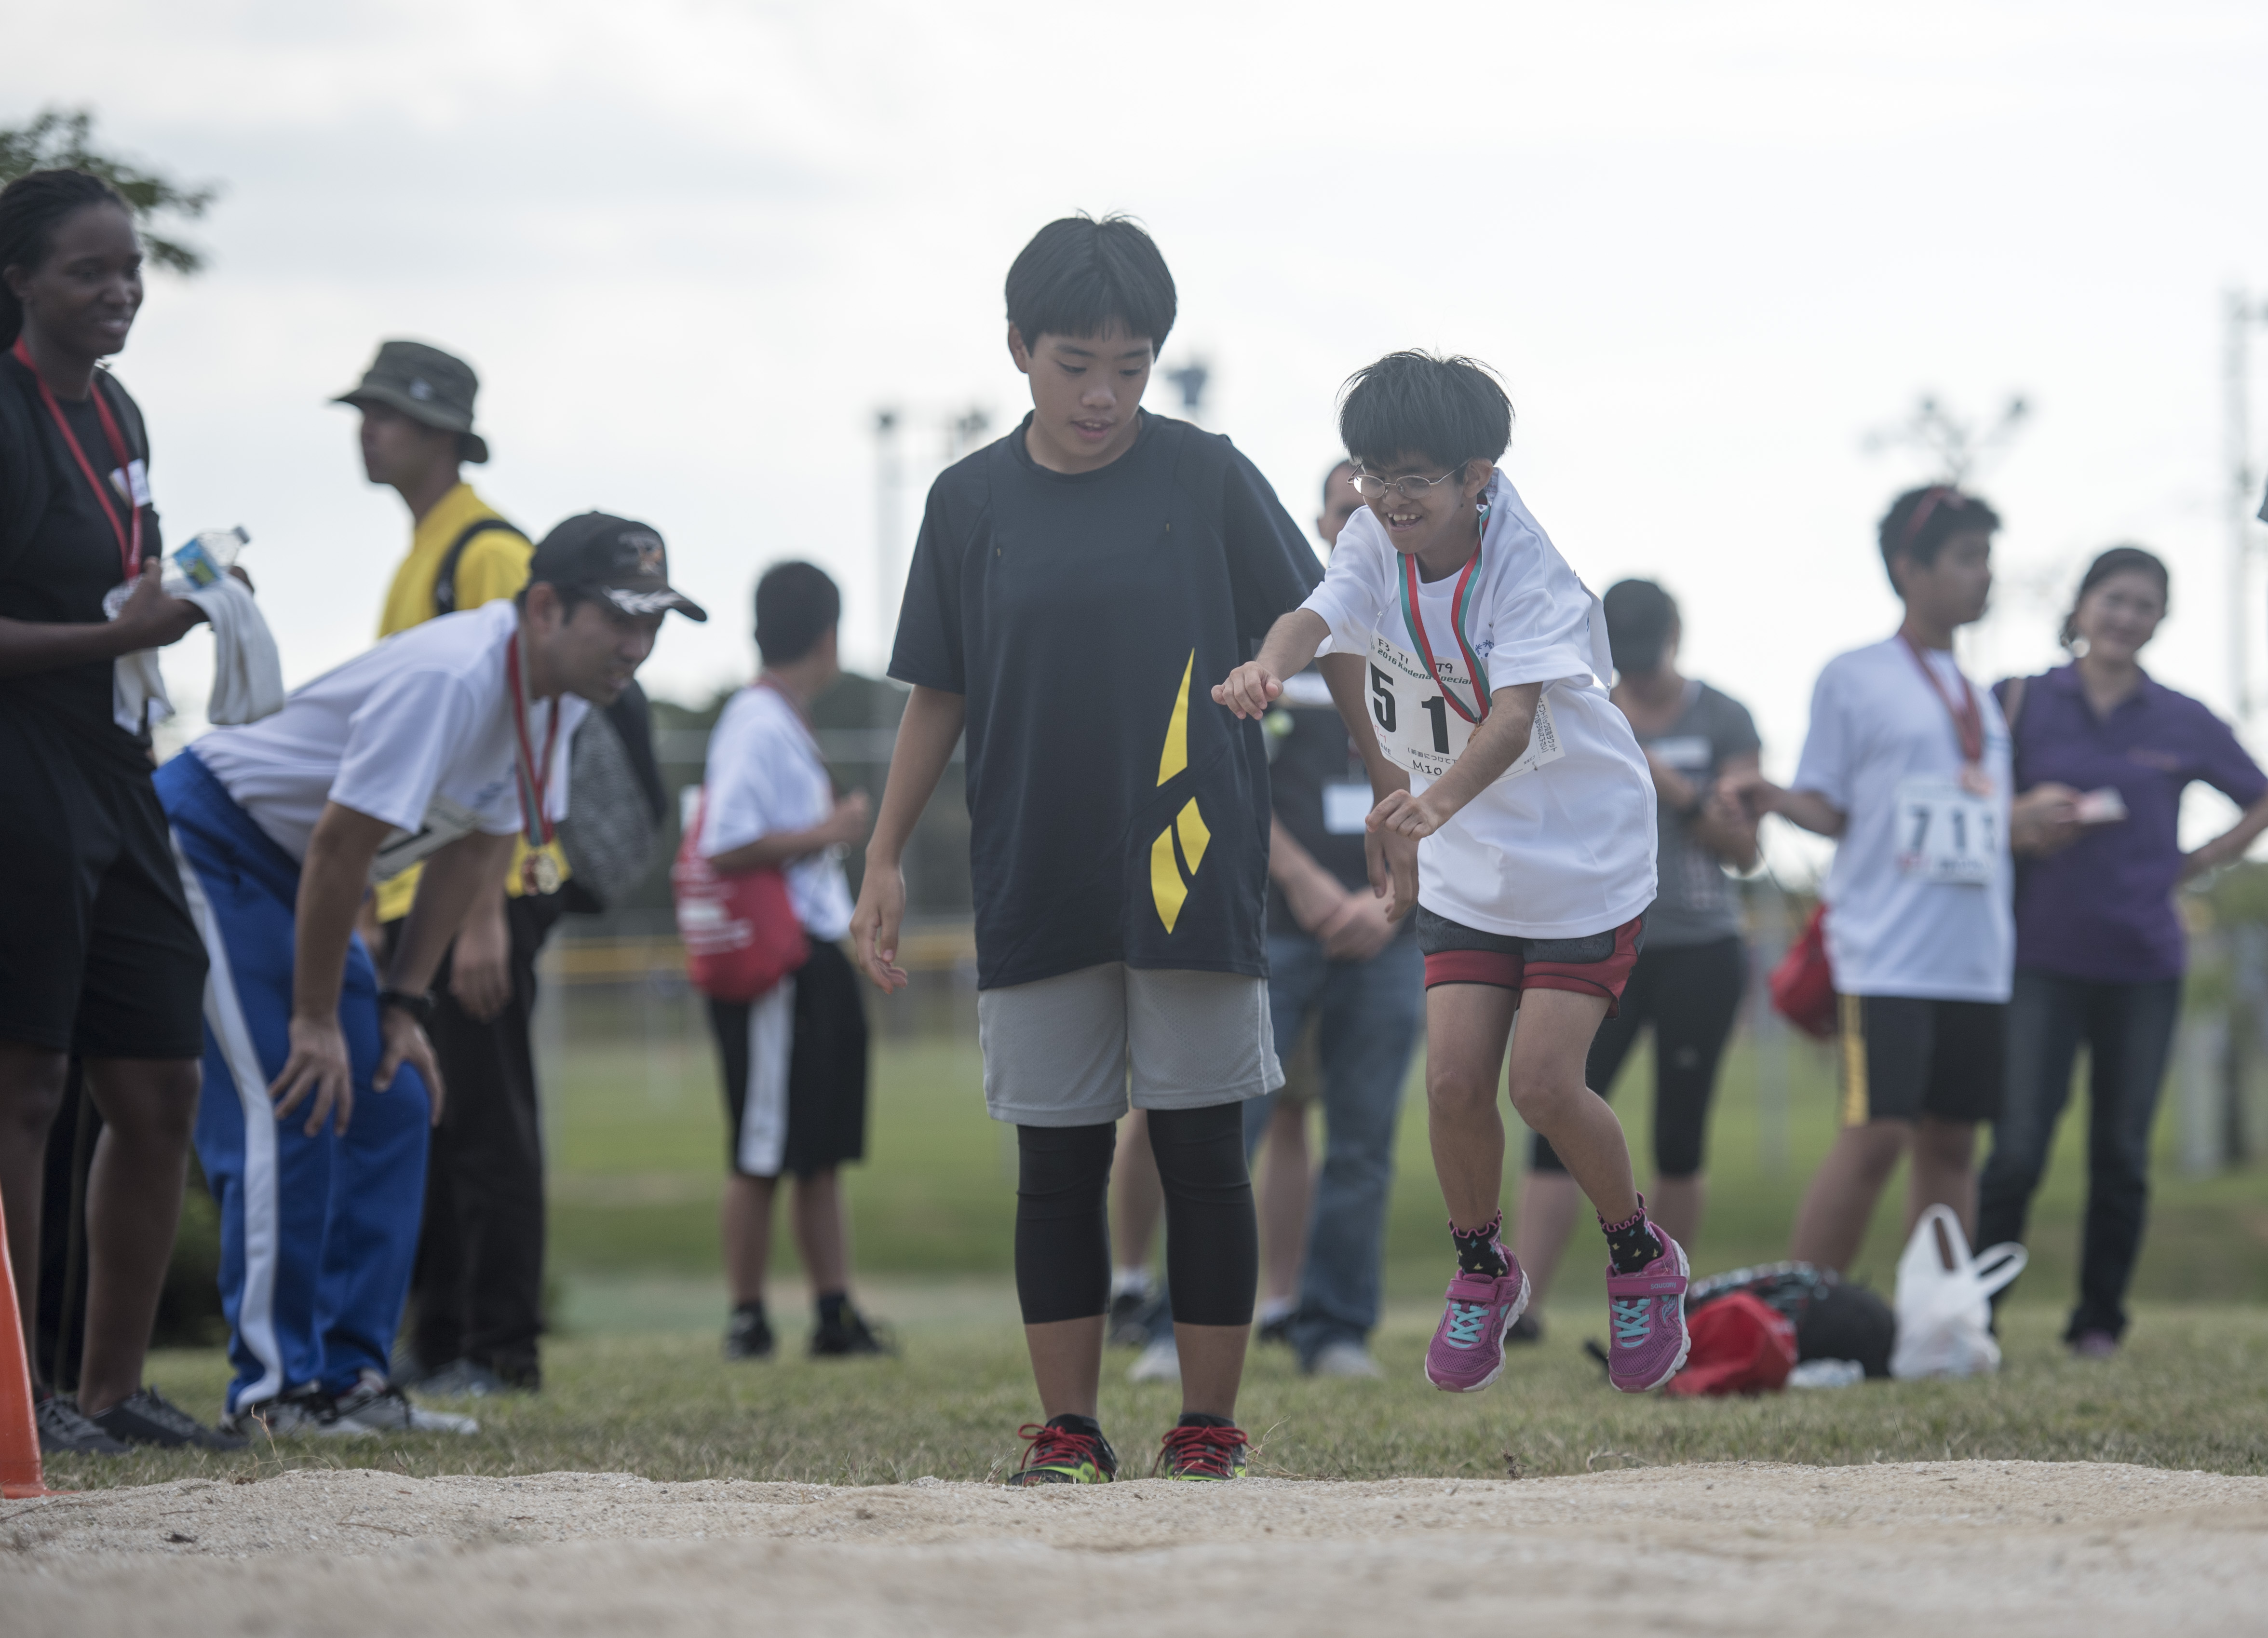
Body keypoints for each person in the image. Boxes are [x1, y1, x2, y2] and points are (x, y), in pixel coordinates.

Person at [852, 214, 1317, 1484]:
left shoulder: (1206, 474)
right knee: (1054, 1158)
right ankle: (1069, 1427)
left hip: (1191, 862)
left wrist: (1295, 688)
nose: (1106, 393)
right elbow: (937, 691)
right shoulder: (966, 501)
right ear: (1017, 349)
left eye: (1131, 362)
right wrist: (886, 854)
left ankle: (1207, 1426)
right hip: (1037, 864)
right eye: (1075, 364)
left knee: (1199, 1150)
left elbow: (1315, 613)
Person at [156, 512, 701, 1435]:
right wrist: (317, 1016)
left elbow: (479, 848)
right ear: (544, 607)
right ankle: (276, 1391)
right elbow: (339, 846)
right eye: (620, 619)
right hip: (215, 842)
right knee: (292, 1093)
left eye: (654, 625)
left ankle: (350, 1378)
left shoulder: (560, 699)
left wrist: (405, 1004)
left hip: (299, 869)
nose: (638, 647)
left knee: (395, 1096)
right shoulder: (454, 677)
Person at [1215, 350, 1687, 1399]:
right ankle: (1482, 1267)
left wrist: (1425, 806)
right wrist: (1268, 665)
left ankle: (1640, 1254)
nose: (1387, 499)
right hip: (1473, 851)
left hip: (1580, 852)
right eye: (1372, 475)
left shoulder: (1527, 566)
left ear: (1478, 476)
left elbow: (1513, 720)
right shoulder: (1375, 542)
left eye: (1413, 478)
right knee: (1456, 1081)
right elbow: (1318, 614)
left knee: (1543, 1085)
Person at [0, 167, 242, 1454]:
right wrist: (122, 625)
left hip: (115, 761)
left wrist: (183, 589)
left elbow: (115, 573)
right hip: (19, 757)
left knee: (160, 1074)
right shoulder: (7, 410)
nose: (120, 293)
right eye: (89, 271)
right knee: (30, 1080)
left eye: (131, 270)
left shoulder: (120, 405)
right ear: (20, 281)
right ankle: (18, 1390)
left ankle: (109, 1392)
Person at [1733, 485, 2044, 1273]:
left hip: (1976, 956)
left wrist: (2032, 821)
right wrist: (1772, 797)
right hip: (1887, 951)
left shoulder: (1982, 696)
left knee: (1954, 1142)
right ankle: (1804, 1318)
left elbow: (1971, 816)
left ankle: (1938, 1328)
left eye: (1987, 558)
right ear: (1910, 568)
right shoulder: (1856, 675)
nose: (1985, 576)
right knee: (1876, 1136)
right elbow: (1830, 806)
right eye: (1968, 558)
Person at [332, 339, 561, 1396]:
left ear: (435, 431)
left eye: (384, 413)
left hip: (479, 891)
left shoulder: (486, 551)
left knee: (485, 1121)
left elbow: (527, 732)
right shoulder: (420, 548)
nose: (366, 430)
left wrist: (480, 916)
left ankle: (498, 1347)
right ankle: (440, 1337)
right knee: (431, 1113)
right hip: (424, 894)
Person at [1980, 546, 2268, 1356]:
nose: (2126, 617)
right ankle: (1977, 1321)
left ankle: (2098, 1323)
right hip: (2039, 957)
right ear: (2081, 608)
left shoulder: (2182, 717)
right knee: (2017, 1150)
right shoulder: (2023, 699)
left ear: (2160, 622)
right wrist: (2022, 815)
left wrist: (2202, 860)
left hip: (2145, 962)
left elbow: (2259, 792)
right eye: (2114, 599)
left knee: (2123, 1153)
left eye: (2145, 605)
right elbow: (1966, 792)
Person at [1512, 579, 1759, 1335]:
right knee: (1554, 1113)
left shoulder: (1723, 716)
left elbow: (1745, 849)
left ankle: (1663, 1305)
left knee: (1677, 1134)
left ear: (1677, 636)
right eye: (1632, 661)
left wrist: (1676, 790)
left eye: (1654, 660)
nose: (1644, 678)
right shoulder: (1586, 712)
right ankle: (1523, 1307)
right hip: (1600, 941)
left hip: (1701, 947)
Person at [1239, 457, 1421, 1378]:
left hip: (1392, 931)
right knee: (1220, 1130)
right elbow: (1230, 782)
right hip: (1276, 924)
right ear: (1322, 523)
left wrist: (1396, 897)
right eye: (1350, 508)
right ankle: (1186, 1324)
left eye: (1387, 507)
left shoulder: (1436, 638)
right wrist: (1308, 885)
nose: (1371, 521)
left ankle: (1336, 1328)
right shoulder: (1288, 637)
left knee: (1363, 1143)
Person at [700, 561, 886, 1360]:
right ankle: (747, 1315)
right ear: (828, 635)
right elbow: (726, 840)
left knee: (817, 1148)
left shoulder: (778, 717)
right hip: (779, 965)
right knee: (763, 1144)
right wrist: (832, 830)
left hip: (812, 957)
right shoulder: (757, 720)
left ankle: (833, 1310)